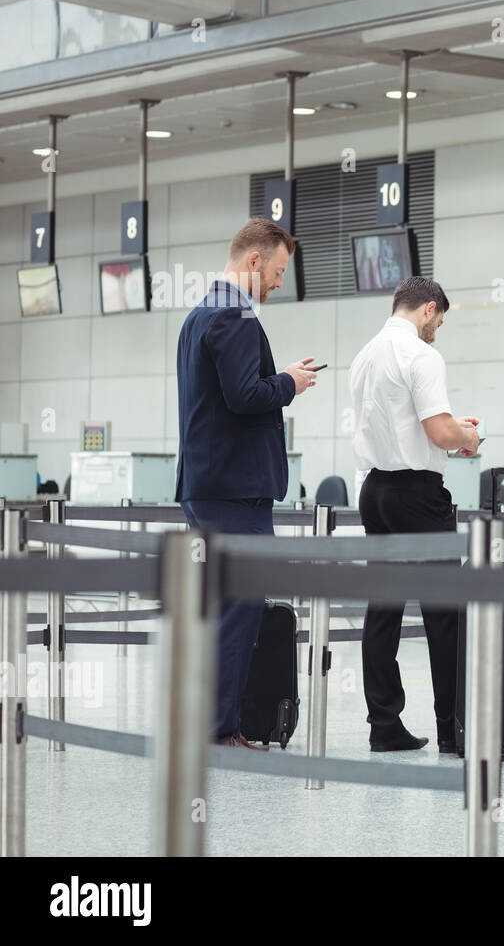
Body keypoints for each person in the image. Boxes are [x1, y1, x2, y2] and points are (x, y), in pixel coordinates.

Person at [175, 217, 318, 749]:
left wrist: (279, 378)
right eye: (278, 271)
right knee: (240, 608)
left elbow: (226, 393)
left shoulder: (199, 314)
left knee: (219, 607)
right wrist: (291, 384)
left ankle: (207, 720)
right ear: (254, 261)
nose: (280, 283)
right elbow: (243, 396)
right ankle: (220, 729)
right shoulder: (235, 314)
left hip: (207, 483)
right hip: (235, 491)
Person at [349, 277, 481, 752]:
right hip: (418, 497)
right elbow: (438, 430)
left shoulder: (365, 354)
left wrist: (447, 433)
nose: (436, 332)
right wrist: (466, 435)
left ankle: (384, 724)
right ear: (428, 310)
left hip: (375, 489)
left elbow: (403, 425)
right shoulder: (422, 355)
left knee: (382, 612)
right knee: (444, 612)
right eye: (438, 323)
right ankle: (453, 729)